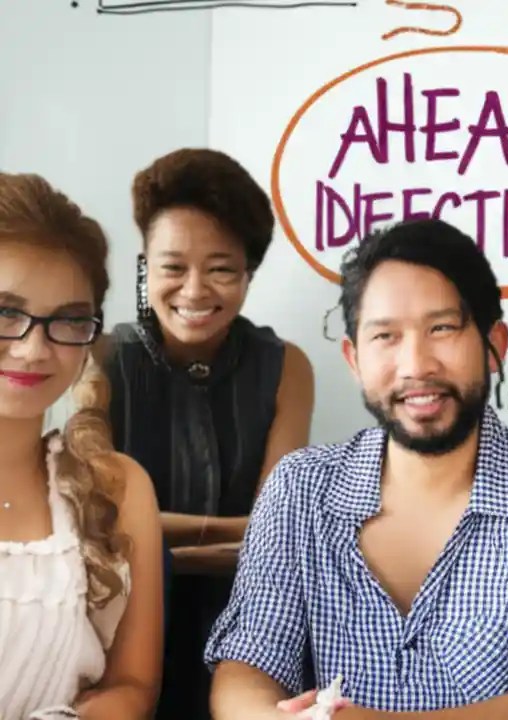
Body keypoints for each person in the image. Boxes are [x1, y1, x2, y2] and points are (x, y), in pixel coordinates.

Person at [204, 218, 508, 718]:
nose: (416, 365)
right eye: (385, 336)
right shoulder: (301, 488)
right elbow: (245, 669)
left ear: (495, 344)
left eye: (442, 328)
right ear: (354, 359)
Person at [98, 148, 316, 718]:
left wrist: (152, 540)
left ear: (248, 274)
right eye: (173, 267)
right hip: (116, 628)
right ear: (146, 267)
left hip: (253, 631)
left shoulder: (286, 366)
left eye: (221, 269)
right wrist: (231, 538)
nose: (194, 291)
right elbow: (95, 524)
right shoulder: (100, 360)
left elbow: (277, 533)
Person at [0, 173, 163, 719]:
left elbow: (133, 685)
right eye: (5, 313)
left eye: (69, 320)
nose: (33, 349)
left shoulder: (116, 486)